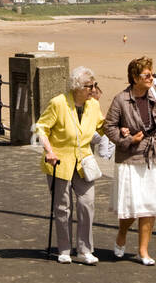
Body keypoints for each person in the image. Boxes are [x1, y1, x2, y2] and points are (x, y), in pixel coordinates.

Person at [104, 56, 156, 265]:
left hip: (154, 155)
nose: (151, 78)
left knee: (150, 205)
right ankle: (122, 233)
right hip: (131, 157)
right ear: (135, 77)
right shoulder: (120, 99)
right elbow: (109, 127)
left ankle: (144, 251)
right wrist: (127, 140)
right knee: (132, 206)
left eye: (152, 74)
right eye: (147, 75)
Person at [35, 65, 106, 264]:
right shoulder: (58, 103)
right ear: (77, 87)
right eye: (89, 86)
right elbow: (41, 128)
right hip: (60, 161)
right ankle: (64, 249)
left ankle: (84, 250)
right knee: (63, 207)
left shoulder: (93, 105)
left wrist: (119, 129)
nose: (93, 90)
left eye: (94, 85)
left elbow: (101, 126)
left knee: (87, 204)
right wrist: (49, 151)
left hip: (84, 162)